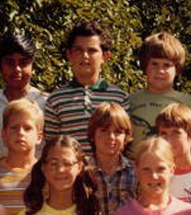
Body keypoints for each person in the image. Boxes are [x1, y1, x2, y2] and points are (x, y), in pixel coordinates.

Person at [44, 21, 129, 155]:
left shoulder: (120, 98)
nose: (85, 56)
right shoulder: (56, 99)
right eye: (79, 50)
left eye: (92, 50)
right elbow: (51, 147)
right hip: (71, 168)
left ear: (105, 56)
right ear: (69, 55)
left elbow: (126, 144)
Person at [126, 31, 191, 159]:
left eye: (167, 65)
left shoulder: (188, 103)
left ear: (177, 69)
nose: (160, 71)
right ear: (145, 65)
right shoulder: (130, 101)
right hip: (136, 166)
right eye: (154, 64)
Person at [0, 32, 48, 164]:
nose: (17, 69)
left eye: (23, 63)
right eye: (10, 63)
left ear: (33, 65)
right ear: (1, 65)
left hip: (36, 174)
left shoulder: (45, 104)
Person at [0, 98, 44, 215]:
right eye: (14, 127)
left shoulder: (47, 174)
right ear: (4, 134)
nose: (20, 133)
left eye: (27, 128)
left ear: (39, 137)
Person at [86, 102, 135, 215]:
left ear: (126, 136)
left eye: (118, 132)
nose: (111, 137)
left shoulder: (135, 172)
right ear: (92, 134)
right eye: (104, 130)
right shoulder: (83, 172)